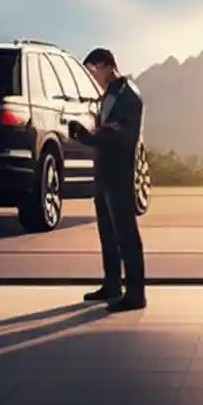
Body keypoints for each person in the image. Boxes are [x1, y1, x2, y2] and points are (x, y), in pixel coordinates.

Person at [67, 48, 147, 312]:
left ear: (106, 65)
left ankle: (135, 294)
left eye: (93, 70)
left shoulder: (127, 95)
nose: (94, 76)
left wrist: (88, 137)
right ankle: (112, 284)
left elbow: (122, 135)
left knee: (125, 234)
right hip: (105, 173)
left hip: (120, 174)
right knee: (108, 233)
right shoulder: (112, 95)